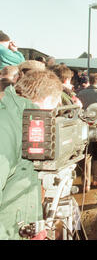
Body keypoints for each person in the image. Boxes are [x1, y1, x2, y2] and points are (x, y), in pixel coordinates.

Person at [0, 69, 63, 239]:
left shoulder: (22, 119)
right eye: (54, 106)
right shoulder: (6, 126)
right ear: (49, 99)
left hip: (16, 227)